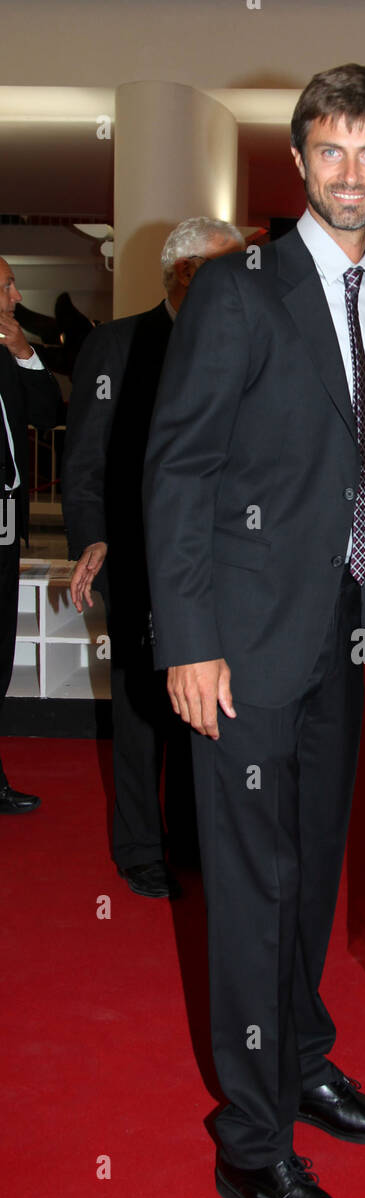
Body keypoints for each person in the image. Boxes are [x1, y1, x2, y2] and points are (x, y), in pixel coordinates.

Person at [143, 64, 365, 1198]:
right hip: (243, 650)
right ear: (297, 163)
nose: (351, 174)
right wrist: (190, 640)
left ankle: (301, 1060)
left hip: (345, 626)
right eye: (331, 152)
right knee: (251, 894)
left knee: (307, 871)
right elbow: (179, 469)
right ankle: (253, 1148)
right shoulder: (237, 291)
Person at [62, 217, 244, 898]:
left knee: (212, 703)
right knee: (142, 707)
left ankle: (194, 839)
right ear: (181, 273)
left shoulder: (245, 344)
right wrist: (92, 540)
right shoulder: (115, 345)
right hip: (135, 559)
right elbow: (83, 464)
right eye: (222, 268)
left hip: (224, 561)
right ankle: (140, 845)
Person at [0, 257, 63, 812]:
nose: (16, 296)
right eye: (5, 286)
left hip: (5, 525)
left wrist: (25, 355)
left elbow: (47, 415)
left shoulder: (10, 351)